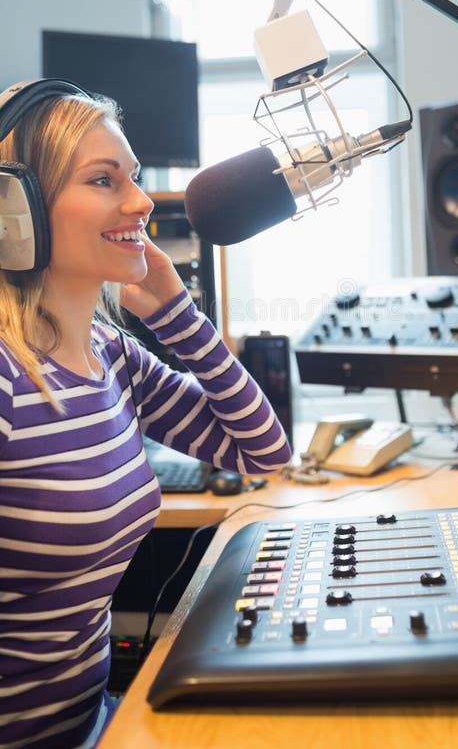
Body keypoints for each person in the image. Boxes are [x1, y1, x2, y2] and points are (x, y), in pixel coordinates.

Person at [0, 80, 292, 748]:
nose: (139, 202)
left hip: (94, 722)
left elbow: (263, 452)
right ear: (16, 211)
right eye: (104, 180)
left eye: (131, 177)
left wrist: (178, 316)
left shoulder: (111, 356)